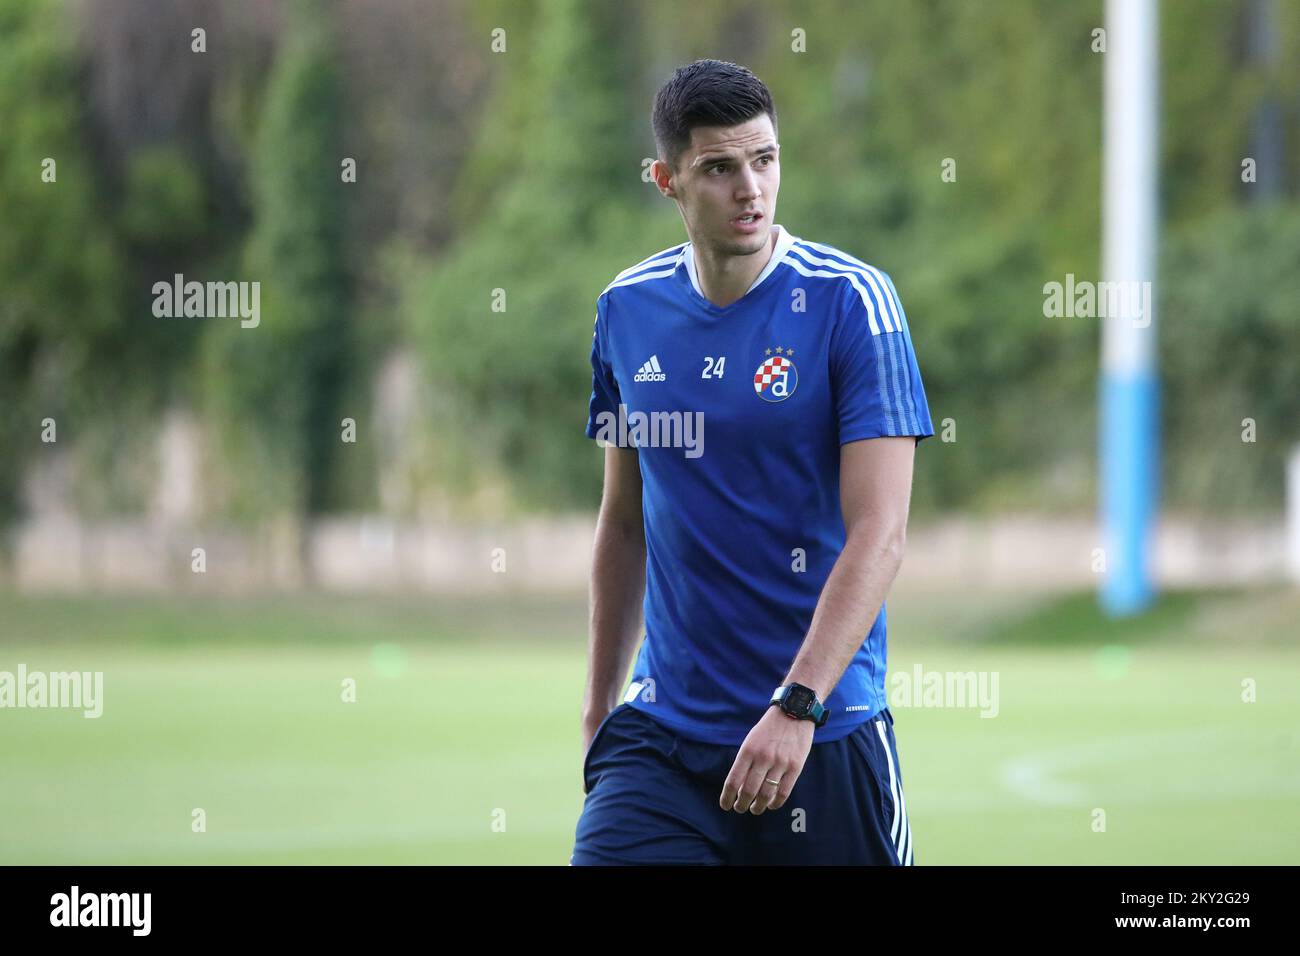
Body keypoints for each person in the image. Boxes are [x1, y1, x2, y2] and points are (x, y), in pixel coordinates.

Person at [572, 58, 933, 865]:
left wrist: (796, 707)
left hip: (823, 734)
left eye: (764, 160)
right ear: (666, 180)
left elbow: (880, 531)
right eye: (720, 168)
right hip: (662, 740)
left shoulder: (851, 302)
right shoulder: (624, 311)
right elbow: (624, 525)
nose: (751, 189)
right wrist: (599, 713)